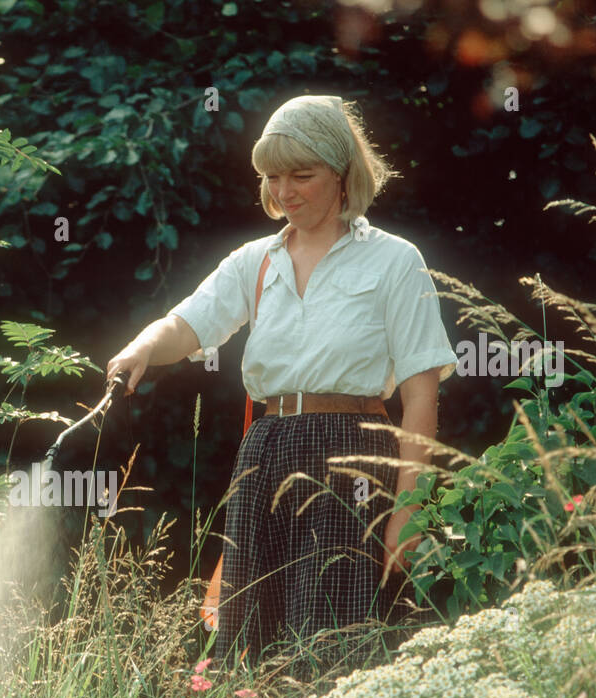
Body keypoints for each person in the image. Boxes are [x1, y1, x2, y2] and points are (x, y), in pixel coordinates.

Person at [105, 94, 456, 667]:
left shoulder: (395, 261)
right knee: (248, 642)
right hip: (264, 452)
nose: (284, 191)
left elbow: (421, 393)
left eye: (302, 175)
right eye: (271, 177)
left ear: (344, 174)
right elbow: (186, 324)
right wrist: (142, 346)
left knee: (336, 637)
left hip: (356, 455)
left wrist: (409, 507)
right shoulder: (255, 261)